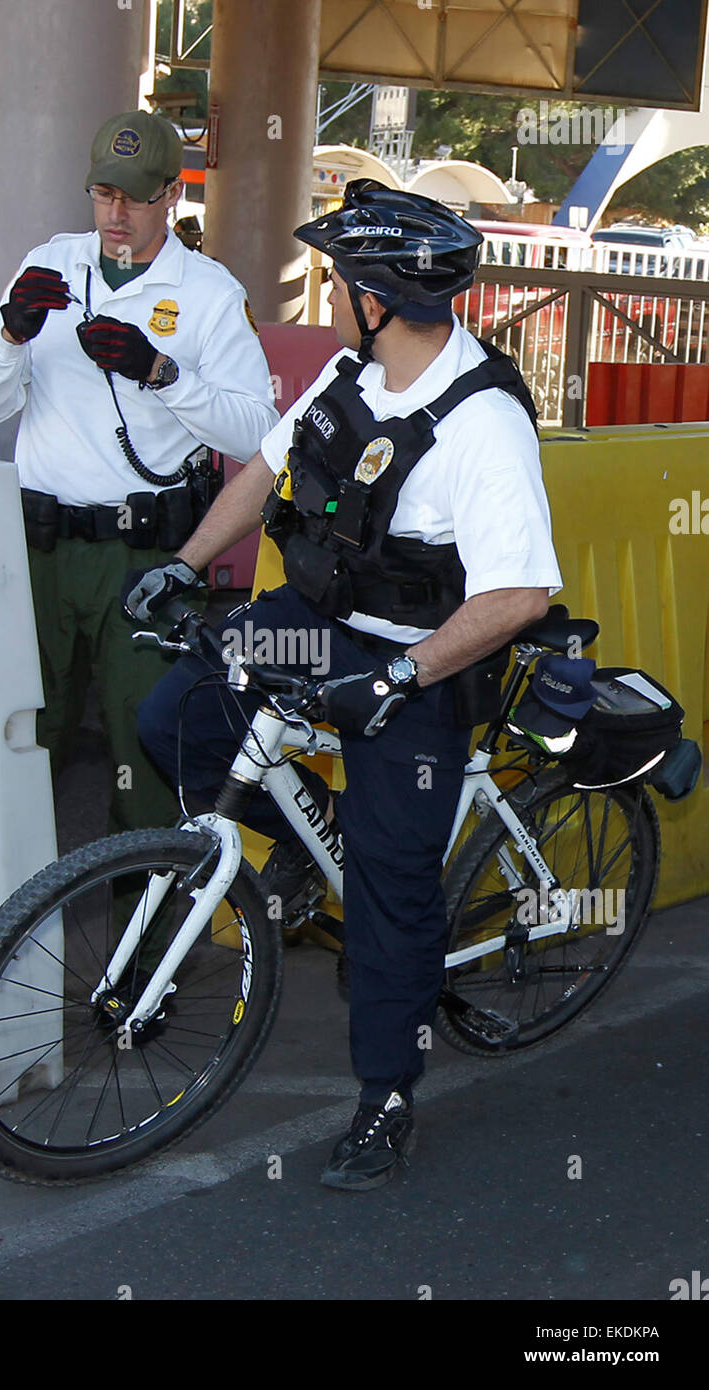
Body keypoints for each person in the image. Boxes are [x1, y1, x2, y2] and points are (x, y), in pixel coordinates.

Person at [128, 180, 563, 1191]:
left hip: (422, 657)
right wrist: (187, 564)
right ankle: (300, 844)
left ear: (372, 296)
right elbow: (261, 474)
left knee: (388, 892)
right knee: (180, 711)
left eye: (335, 282)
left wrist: (399, 677)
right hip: (320, 628)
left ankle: (386, 1098)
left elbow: (518, 595)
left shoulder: (480, 424)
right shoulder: (346, 373)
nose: (327, 297)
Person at [0, 109, 277, 833]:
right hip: (39, 550)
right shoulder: (51, 263)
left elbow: (260, 431)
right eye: (104, 193)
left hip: (143, 557)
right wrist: (10, 334)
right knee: (21, 740)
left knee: (147, 751)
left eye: (135, 195)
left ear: (172, 193)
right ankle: (10, 930)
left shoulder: (208, 292)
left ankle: (148, 942)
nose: (117, 213)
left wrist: (162, 373)